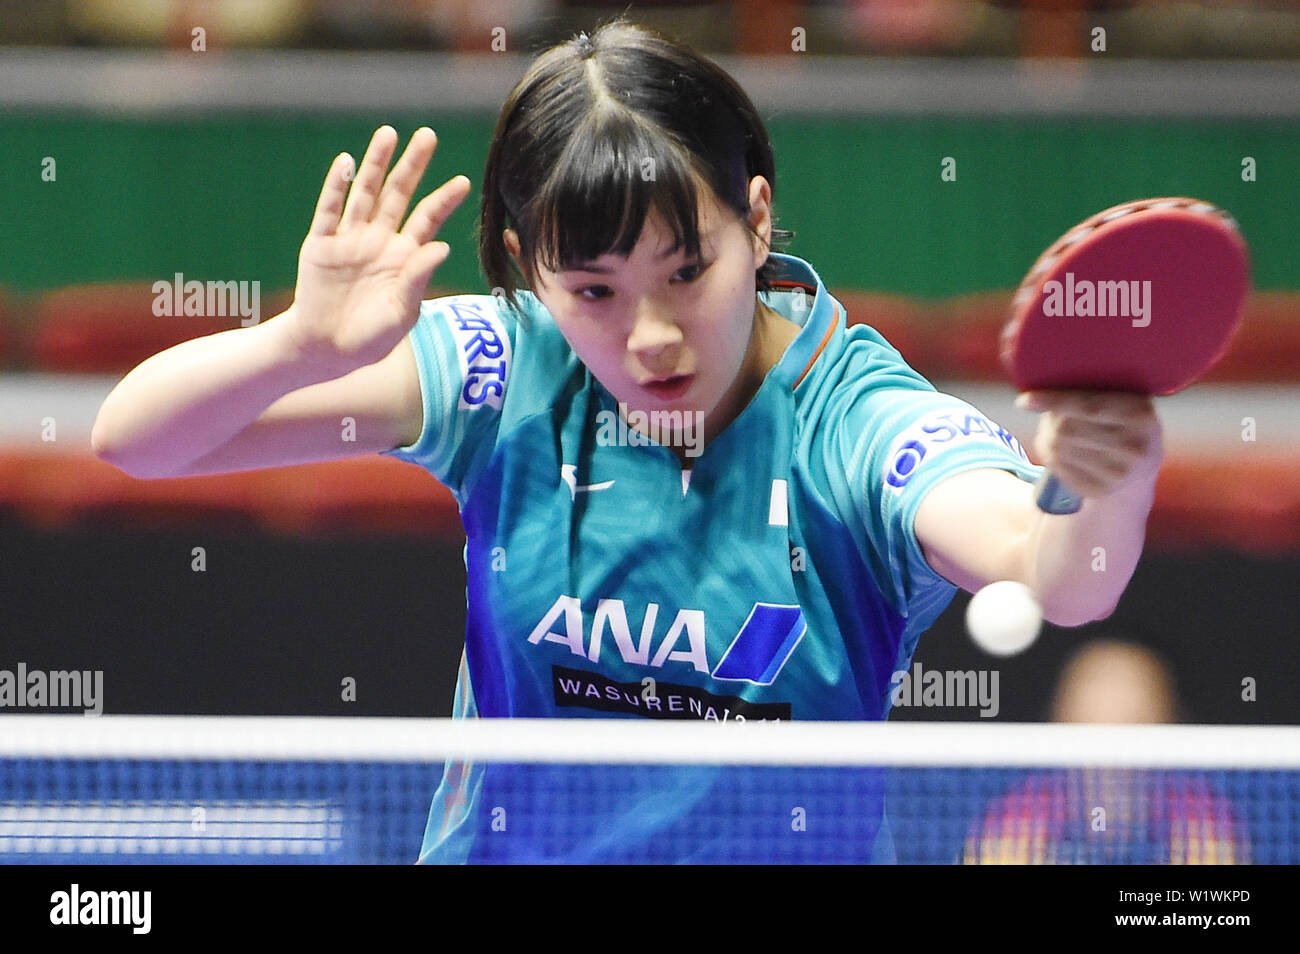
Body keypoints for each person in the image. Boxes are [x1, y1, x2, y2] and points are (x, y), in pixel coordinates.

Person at [91, 18, 1163, 863]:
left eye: (687, 271)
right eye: (593, 289)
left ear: (755, 214)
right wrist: (300, 344)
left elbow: (1059, 578)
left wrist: (1098, 484)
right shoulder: (503, 371)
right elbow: (138, 441)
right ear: (528, 264)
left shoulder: (852, 418)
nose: (649, 335)